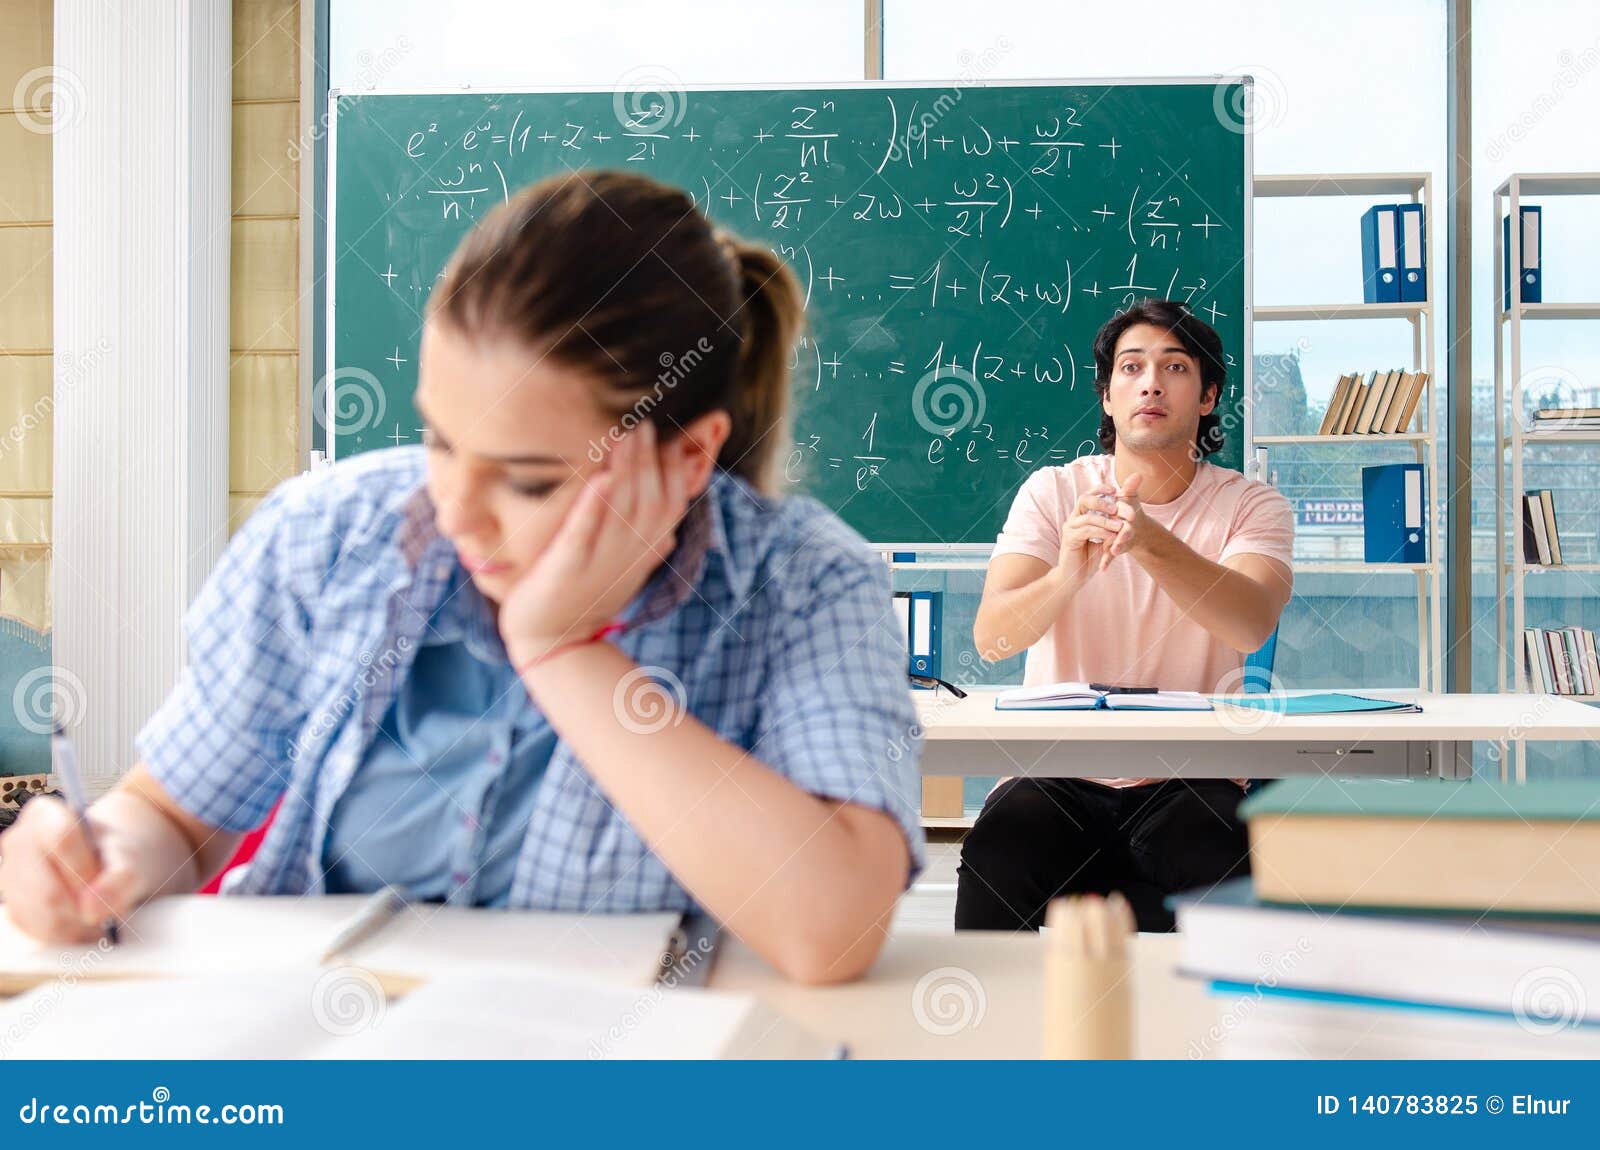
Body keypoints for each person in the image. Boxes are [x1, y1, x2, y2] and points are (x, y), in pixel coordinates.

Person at [0, 170, 924, 984]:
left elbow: (828, 932)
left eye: (528, 478)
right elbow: (178, 813)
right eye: (441, 439)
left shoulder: (806, 586)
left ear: (688, 458)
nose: (457, 510)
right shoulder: (326, 534)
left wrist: (559, 651)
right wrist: (95, 855)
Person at [956, 299, 1294, 932]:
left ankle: (1213, 1029)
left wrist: (1148, 541)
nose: (1151, 383)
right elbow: (994, 637)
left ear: (1208, 396)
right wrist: (1067, 575)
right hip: (1054, 770)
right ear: (1108, 397)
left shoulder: (1253, 505)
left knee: (1219, 860)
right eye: (1131, 367)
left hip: (1191, 776)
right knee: (1002, 848)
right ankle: (989, 1025)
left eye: (1175, 367)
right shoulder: (1053, 492)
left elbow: (1250, 623)